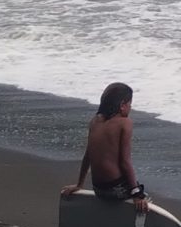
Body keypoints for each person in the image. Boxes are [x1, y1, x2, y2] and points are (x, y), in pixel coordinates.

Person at [62, 82, 147, 213]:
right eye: (130, 104)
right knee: (144, 201)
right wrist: (137, 194)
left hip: (99, 189)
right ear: (122, 105)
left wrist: (79, 184)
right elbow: (125, 162)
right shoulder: (125, 123)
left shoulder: (95, 121)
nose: (130, 108)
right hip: (116, 190)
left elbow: (88, 156)